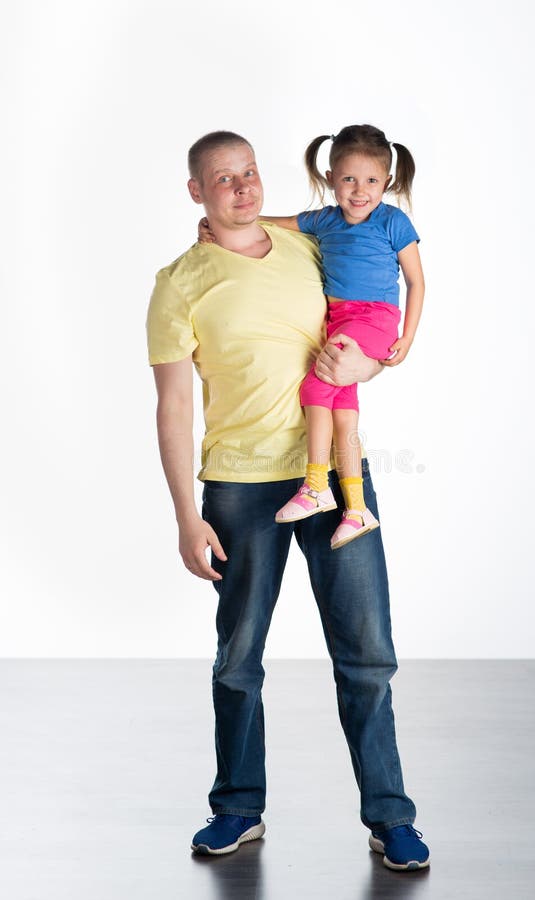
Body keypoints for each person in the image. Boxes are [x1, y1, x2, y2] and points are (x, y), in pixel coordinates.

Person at [146, 130, 430, 871]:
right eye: (221, 178)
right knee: (238, 657)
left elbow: (372, 318)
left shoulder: (314, 246)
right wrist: (185, 514)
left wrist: (371, 359)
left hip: (336, 479)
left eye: (248, 173)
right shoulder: (179, 282)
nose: (241, 187)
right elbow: (173, 408)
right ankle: (237, 808)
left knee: (367, 653)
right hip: (238, 486)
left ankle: (390, 818)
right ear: (195, 194)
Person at [199, 124, 424, 551]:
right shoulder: (324, 220)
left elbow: (417, 282)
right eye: (348, 180)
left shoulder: (393, 221)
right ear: (330, 178)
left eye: (372, 181)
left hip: (375, 319)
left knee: (317, 383)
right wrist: (216, 220)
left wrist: (407, 339)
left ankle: (317, 484)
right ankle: (356, 509)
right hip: (340, 320)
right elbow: (271, 222)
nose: (360, 191)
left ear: (388, 182)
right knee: (342, 408)